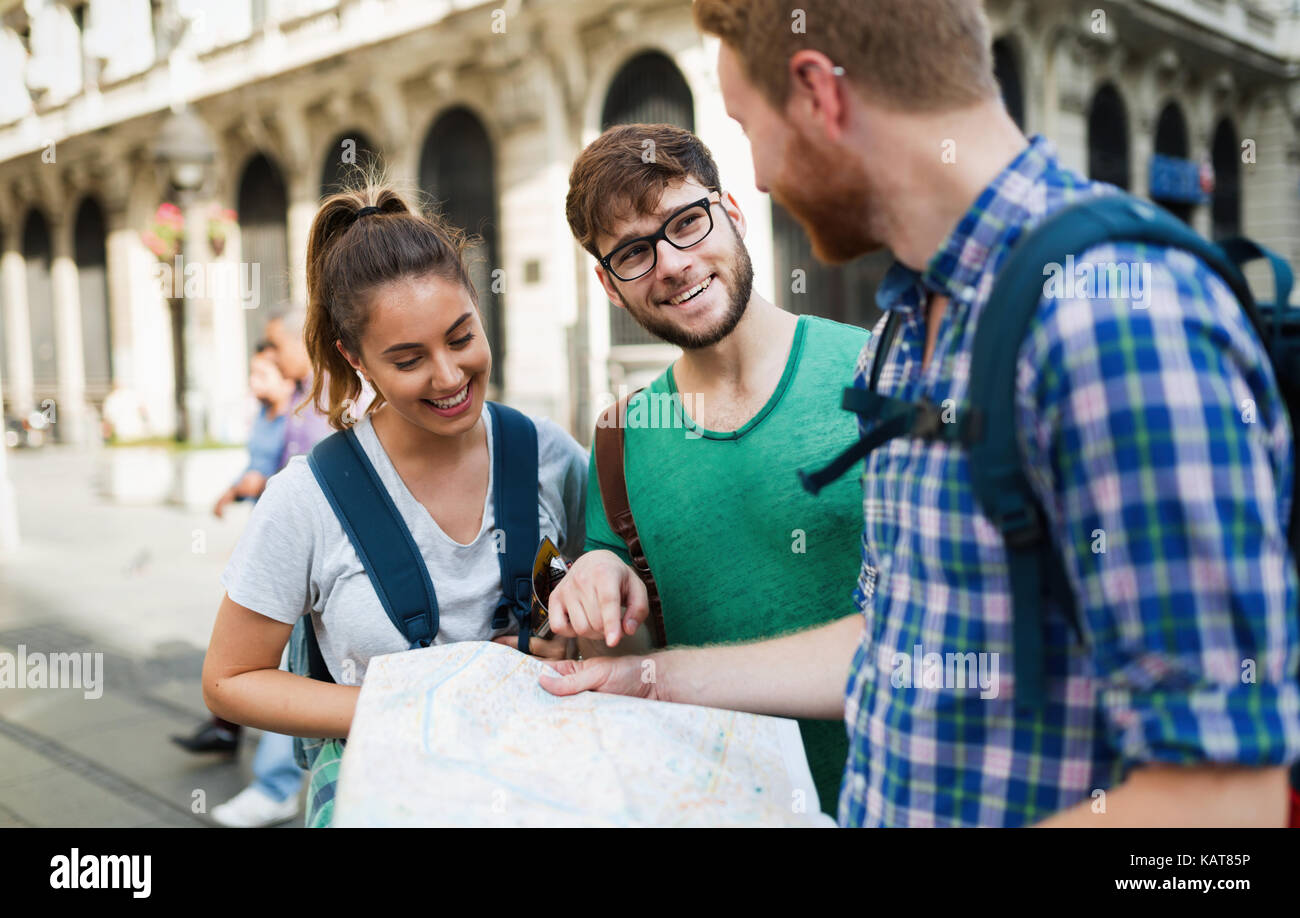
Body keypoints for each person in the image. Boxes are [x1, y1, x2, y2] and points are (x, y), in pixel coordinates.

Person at [542, 0, 1300, 827]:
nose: (756, 180)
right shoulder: (907, 331)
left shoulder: (1110, 316)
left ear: (817, 96)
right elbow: (897, 643)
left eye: (749, 128)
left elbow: (1224, 806)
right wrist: (650, 678)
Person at [202, 183, 587, 828]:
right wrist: (413, 702)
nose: (448, 376)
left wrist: (559, 638)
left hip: (534, 787)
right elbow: (230, 678)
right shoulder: (308, 498)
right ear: (356, 361)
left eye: (461, 336)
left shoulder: (544, 452)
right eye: (407, 360)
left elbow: (571, 567)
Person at [545, 122, 868, 815]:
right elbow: (630, 649)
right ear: (608, 283)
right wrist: (595, 574)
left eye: (686, 223)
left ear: (735, 213)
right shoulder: (618, 441)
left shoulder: (882, 374)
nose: (671, 263)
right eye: (633, 251)